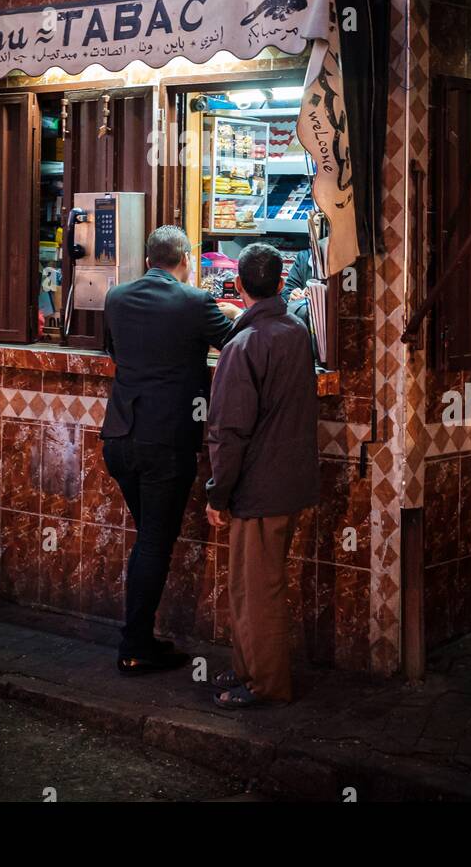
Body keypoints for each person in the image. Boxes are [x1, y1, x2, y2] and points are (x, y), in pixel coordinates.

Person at [103, 225, 237, 675]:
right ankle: (135, 645)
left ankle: (140, 639)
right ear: (185, 259)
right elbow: (234, 345)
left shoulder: (117, 298)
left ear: (147, 261)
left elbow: (115, 352)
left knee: (150, 541)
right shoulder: (195, 301)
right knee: (155, 543)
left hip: (120, 437)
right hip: (165, 442)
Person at [205, 242, 320, 709]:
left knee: (257, 590)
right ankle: (248, 667)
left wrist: (218, 493)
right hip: (289, 479)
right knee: (252, 584)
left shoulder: (244, 344)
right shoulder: (295, 331)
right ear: (279, 284)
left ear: (238, 286)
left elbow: (228, 431)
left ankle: (267, 683)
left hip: (259, 486)